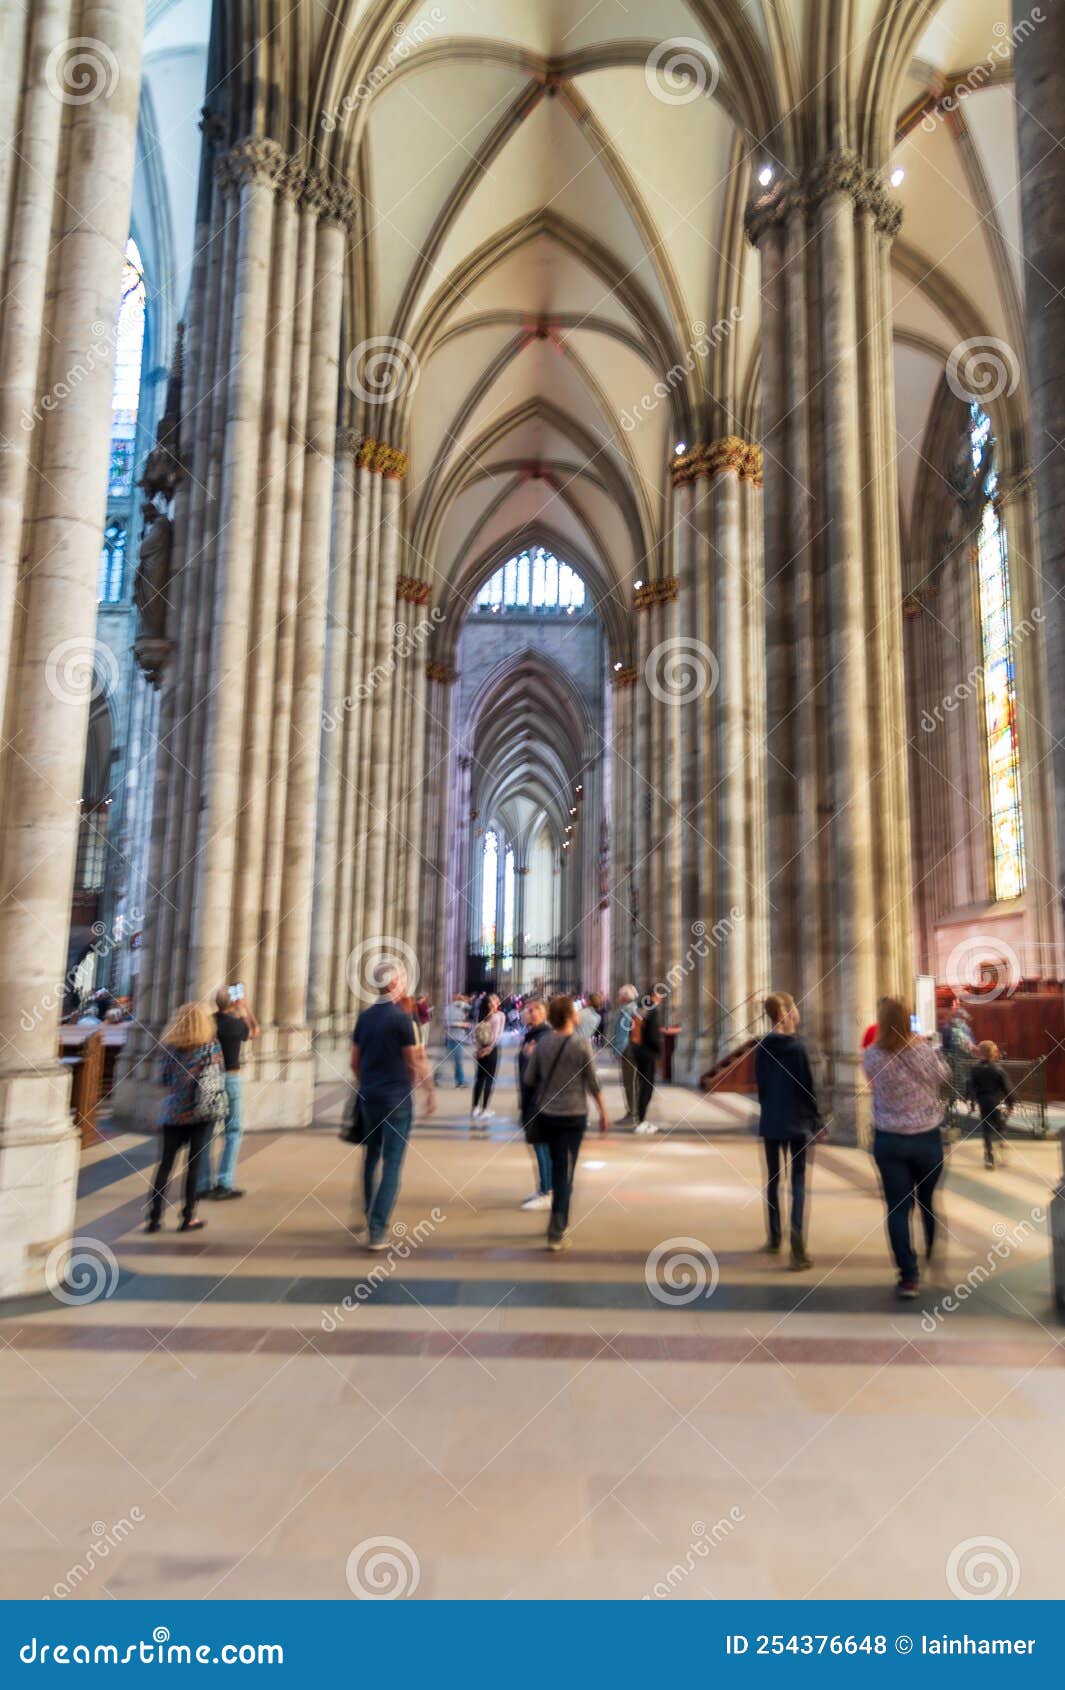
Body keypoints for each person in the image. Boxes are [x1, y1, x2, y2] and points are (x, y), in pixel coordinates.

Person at [863, 997, 950, 1299]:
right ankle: (930, 1250)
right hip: (926, 1139)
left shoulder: (872, 1055)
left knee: (898, 1208)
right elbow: (944, 1076)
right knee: (927, 1199)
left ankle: (908, 1277)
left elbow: (872, 1082)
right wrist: (924, 1046)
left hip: (889, 1140)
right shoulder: (923, 1051)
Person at [351, 964, 431, 1250]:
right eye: (403, 979)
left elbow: (354, 1062)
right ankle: (377, 1229)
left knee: (371, 1157)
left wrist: (368, 1083)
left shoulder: (365, 1017)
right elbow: (412, 1060)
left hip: (369, 1098)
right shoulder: (401, 1019)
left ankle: (367, 1212)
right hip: (397, 1100)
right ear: (394, 983)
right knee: (392, 1163)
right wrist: (428, 1090)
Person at [522, 995, 609, 1250]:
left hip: (548, 1114)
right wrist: (603, 1111)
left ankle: (556, 1222)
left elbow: (529, 1078)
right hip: (574, 1116)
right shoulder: (581, 1044)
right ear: (571, 1016)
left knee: (559, 1165)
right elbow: (593, 1081)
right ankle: (557, 1228)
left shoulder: (544, 1044)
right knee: (565, 1171)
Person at [753, 992, 824, 1271]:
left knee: (773, 1181)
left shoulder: (762, 1047)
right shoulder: (798, 1048)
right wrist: (816, 1121)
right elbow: (808, 1088)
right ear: (785, 1014)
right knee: (797, 1183)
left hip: (771, 1120)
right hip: (798, 1122)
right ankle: (797, 1240)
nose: (797, 1013)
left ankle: (774, 1237)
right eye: (794, 1009)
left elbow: (761, 1087)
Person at [146, 1001, 226, 1234]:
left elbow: (166, 1081)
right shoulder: (210, 1047)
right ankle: (188, 1217)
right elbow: (215, 1078)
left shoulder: (168, 1047)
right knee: (194, 1165)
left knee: (165, 1165)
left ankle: (154, 1218)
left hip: (172, 1112)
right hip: (200, 1113)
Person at [198, 984, 259, 1200]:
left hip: (210, 1079)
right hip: (231, 1078)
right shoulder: (236, 1024)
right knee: (232, 1131)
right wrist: (246, 1010)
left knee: (205, 1133)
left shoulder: (208, 1023)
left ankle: (202, 1184)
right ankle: (224, 1182)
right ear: (232, 1002)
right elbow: (254, 1032)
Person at [517, 999, 553, 1210]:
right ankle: (543, 1187)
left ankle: (547, 1191)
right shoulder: (532, 1036)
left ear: (544, 1014)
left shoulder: (544, 1037)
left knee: (542, 1147)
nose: (530, 1014)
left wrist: (532, 1057)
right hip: (530, 1098)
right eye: (528, 1010)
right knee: (538, 1146)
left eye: (535, 1010)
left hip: (540, 1100)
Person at [966, 1040, 1013, 1168]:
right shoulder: (997, 1069)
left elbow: (970, 1085)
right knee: (999, 1123)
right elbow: (1007, 1088)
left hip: (982, 1101)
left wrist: (970, 1101)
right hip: (995, 1101)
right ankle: (1001, 1139)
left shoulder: (974, 1068)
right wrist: (1010, 1103)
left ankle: (989, 1156)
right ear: (993, 1053)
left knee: (986, 1128)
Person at [632, 985, 665, 1134]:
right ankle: (641, 1121)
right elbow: (652, 1035)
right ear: (655, 996)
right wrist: (659, 1050)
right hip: (648, 1052)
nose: (661, 999)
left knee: (643, 1085)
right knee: (647, 1087)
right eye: (660, 996)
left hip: (638, 1050)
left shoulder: (641, 1007)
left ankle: (640, 1119)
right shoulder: (652, 1011)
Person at [470, 993, 504, 1130]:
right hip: (491, 1051)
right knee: (489, 1079)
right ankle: (484, 1110)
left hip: (481, 1050)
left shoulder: (482, 1015)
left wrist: (478, 1050)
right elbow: (497, 1036)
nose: (495, 1002)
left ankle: (474, 1108)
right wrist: (488, 1050)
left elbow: (476, 1034)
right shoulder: (499, 1016)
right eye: (494, 1000)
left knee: (479, 1079)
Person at [611, 984, 639, 1124]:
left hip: (628, 1051)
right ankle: (633, 1112)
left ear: (625, 997)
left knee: (629, 1083)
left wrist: (617, 1051)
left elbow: (623, 1034)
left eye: (619, 995)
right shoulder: (635, 1008)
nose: (618, 997)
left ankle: (632, 1114)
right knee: (634, 1083)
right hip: (634, 1050)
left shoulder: (627, 1011)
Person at [441, 992, 470, 1087]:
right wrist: (462, 1024)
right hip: (454, 1037)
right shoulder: (449, 1009)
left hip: (456, 1037)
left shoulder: (460, 1008)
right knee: (456, 1061)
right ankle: (460, 1081)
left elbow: (469, 1007)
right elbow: (448, 1023)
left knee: (449, 1060)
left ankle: (459, 1080)